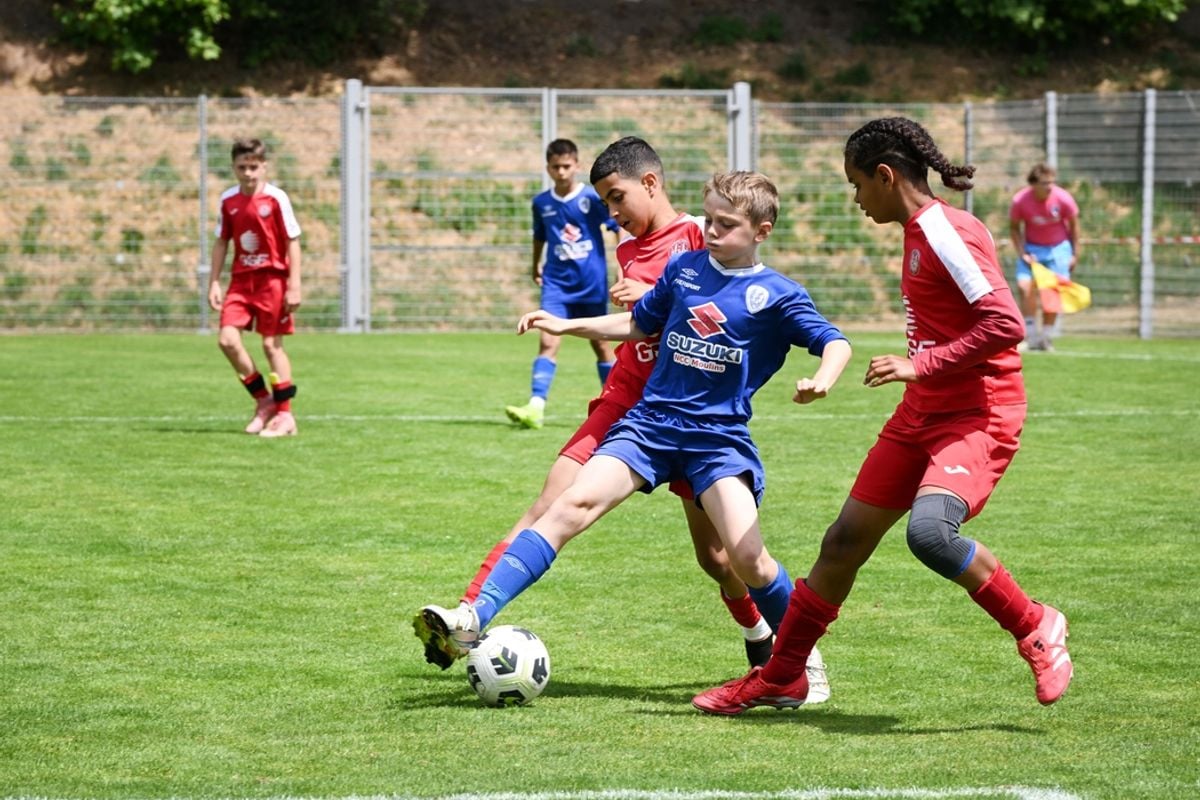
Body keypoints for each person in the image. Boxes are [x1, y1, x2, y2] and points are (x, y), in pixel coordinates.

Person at [417, 170, 853, 696]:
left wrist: (822, 380)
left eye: (727, 224)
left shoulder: (778, 294)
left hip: (716, 441)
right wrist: (565, 325)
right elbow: (638, 324)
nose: (711, 231)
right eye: (709, 218)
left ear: (762, 231)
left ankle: (800, 660)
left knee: (746, 560)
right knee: (568, 507)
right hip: (650, 425)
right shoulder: (685, 270)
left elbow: (835, 342)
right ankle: (471, 615)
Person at [692, 117, 1073, 716]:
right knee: (842, 541)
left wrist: (922, 364)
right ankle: (783, 676)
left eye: (857, 184)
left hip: (977, 414)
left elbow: (1006, 324)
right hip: (922, 413)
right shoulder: (919, 231)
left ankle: (1036, 625)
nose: (856, 198)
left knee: (929, 535)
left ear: (886, 176)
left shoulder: (947, 231)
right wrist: (923, 376)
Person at [505, 139, 620, 430]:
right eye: (555, 167)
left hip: (590, 282)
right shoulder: (541, 203)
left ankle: (618, 405)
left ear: (577, 166)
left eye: (567, 166)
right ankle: (535, 407)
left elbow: (617, 228)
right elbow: (539, 236)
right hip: (556, 283)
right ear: (548, 168)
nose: (562, 172)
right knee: (547, 340)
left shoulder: (593, 200)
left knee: (602, 344)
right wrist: (535, 264)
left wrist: (621, 267)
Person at [208, 137, 303, 438]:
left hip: (272, 280)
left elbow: (293, 240)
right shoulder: (228, 201)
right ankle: (264, 402)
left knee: (270, 345)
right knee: (227, 340)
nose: (248, 173)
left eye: (253, 167)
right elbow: (222, 241)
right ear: (233, 168)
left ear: (264, 167)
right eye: (241, 167)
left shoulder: (276, 199)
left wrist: (294, 284)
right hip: (241, 281)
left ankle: (286, 416)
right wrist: (214, 281)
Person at [1008, 162, 1080, 352]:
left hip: (1059, 250)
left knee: (1052, 294)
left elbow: (1074, 227)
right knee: (1024, 287)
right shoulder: (1020, 201)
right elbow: (1014, 229)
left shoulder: (1063, 198)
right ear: (1033, 183)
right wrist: (1022, 252)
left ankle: (1046, 338)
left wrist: (1074, 254)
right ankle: (1031, 338)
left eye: (1051, 182)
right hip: (1032, 251)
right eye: (1044, 183)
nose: (1049, 187)